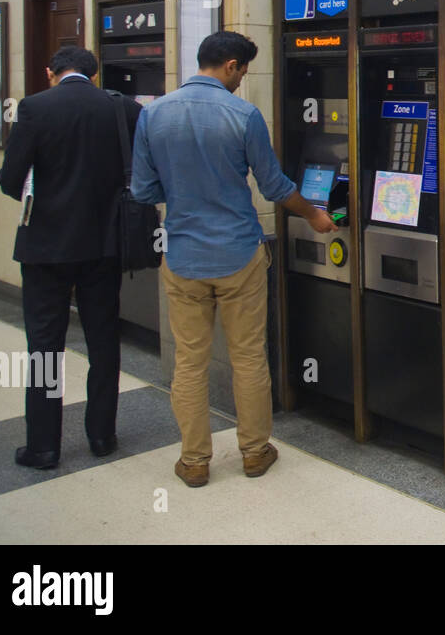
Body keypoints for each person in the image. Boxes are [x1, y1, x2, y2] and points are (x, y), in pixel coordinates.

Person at [131, 31, 336, 488]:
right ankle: (255, 452)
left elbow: (143, 190)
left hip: (183, 255)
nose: (242, 80)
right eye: (242, 70)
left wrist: (185, 197)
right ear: (228, 65)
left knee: (189, 361)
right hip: (239, 254)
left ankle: (195, 461)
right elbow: (274, 186)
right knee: (247, 357)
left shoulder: (154, 115)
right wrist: (314, 215)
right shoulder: (243, 115)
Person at [0, 46, 141, 469]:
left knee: (44, 346)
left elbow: (10, 178)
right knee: (103, 340)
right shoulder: (123, 109)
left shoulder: (36, 107)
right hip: (104, 246)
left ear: (50, 72)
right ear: (94, 75)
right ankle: (101, 436)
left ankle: (43, 447)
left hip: (46, 248)